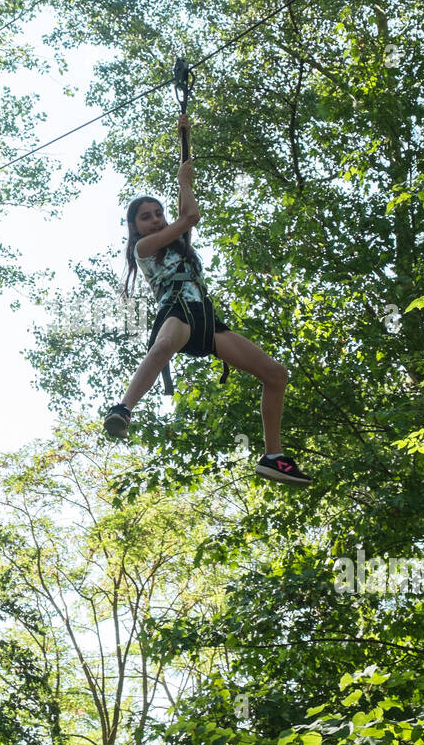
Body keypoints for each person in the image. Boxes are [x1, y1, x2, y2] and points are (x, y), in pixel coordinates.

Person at [103, 114, 310, 486]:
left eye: (158, 213)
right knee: (165, 342)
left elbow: (185, 214)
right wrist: (183, 183)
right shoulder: (145, 248)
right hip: (176, 310)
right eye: (146, 217)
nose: (154, 220)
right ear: (135, 228)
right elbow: (191, 216)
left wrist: (185, 138)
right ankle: (123, 408)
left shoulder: (180, 242)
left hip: (206, 319)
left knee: (276, 375)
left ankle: (273, 456)